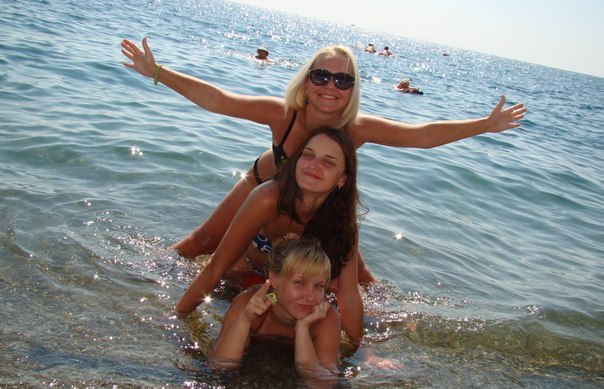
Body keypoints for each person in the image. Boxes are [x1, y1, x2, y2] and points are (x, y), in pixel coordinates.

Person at [121, 37, 526, 282]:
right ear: (307, 81)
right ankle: (140, 275)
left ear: (353, 89)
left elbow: (421, 136)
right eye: (321, 76)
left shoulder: (356, 129)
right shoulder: (283, 114)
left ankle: (381, 327)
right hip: (264, 184)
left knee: (359, 277)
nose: (331, 86)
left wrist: (484, 125)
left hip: (319, 200)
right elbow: (219, 100)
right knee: (202, 242)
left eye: (343, 80)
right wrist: (158, 72)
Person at [176, 127, 364, 346]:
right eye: (308, 155)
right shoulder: (268, 198)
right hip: (242, 274)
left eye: (328, 162)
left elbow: (349, 294)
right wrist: (178, 316)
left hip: (296, 289)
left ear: (342, 179)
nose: (314, 165)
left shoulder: (342, 223)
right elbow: (217, 266)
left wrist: (359, 350)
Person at [210, 237, 340, 389]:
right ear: (275, 279)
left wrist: (303, 329)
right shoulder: (248, 304)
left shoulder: (327, 318)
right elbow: (219, 368)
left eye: (318, 286)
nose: (310, 297)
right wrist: (244, 320)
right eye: (299, 283)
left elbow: (324, 386)